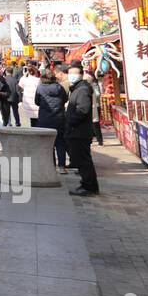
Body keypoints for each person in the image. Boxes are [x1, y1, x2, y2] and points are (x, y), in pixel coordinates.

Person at [65, 61, 100, 196]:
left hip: (80, 131)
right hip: (76, 131)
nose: (71, 76)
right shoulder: (78, 88)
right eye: (70, 74)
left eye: (74, 74)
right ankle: (87, 184)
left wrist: (70, 121)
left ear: (80, 75)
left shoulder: (83, 89)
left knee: (83, 160)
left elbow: (83, 110)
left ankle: (89, 186)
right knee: (81, 159)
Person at [35, 69, 69, 172]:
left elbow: (36, 102)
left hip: (45, 119)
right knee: (60, 143)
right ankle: (62, 167)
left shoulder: (40, 88)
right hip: (59, 118)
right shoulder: (59, 87)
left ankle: (51, 166)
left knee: (48, 144)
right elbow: (65, 99)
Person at [83, 70, 104, 145]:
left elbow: (98, 94)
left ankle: (100, 140)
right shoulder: (86, 87)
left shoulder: (94, 85)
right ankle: (91, 139)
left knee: (95, 124)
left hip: (95, 106)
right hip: (90, 106)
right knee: (91, 124)